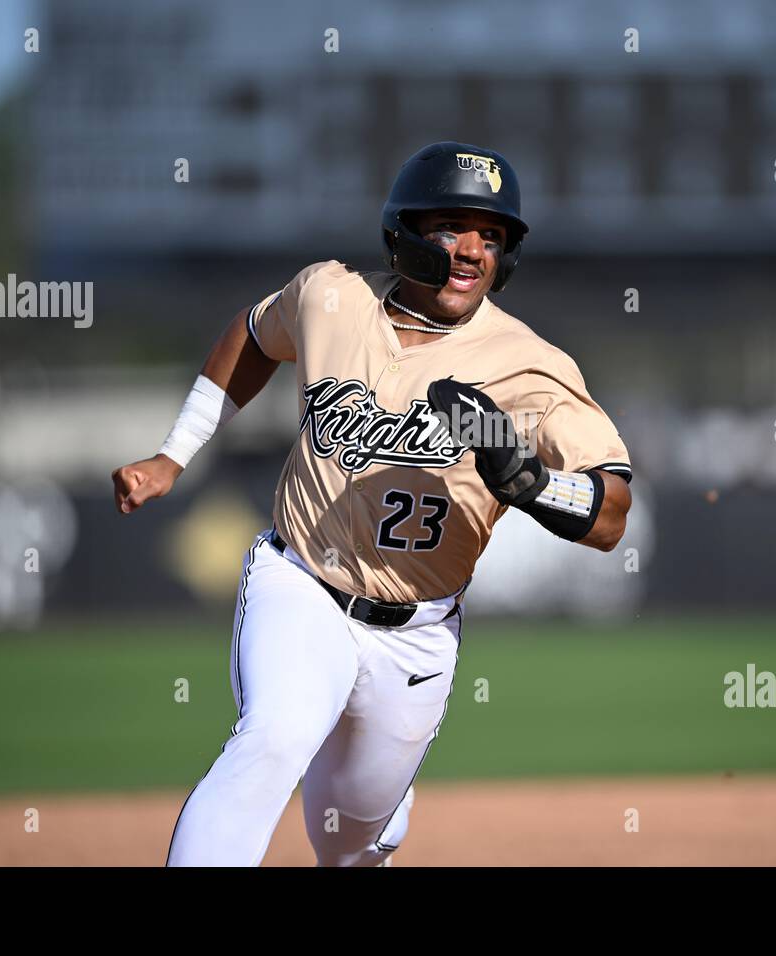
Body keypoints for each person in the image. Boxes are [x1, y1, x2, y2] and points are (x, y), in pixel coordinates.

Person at [110, 141, 632, 866]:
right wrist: (175, 452)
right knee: (274, 738)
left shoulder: (533, 367)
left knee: (349, 842)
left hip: (417, 634)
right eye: (451, 227)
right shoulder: (330, 297)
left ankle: (375, 824)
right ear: (403, 234)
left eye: (492, 235)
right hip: (303, 586)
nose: (472, 250)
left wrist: (534, 485)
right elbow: (255, 334)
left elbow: (612, 516)